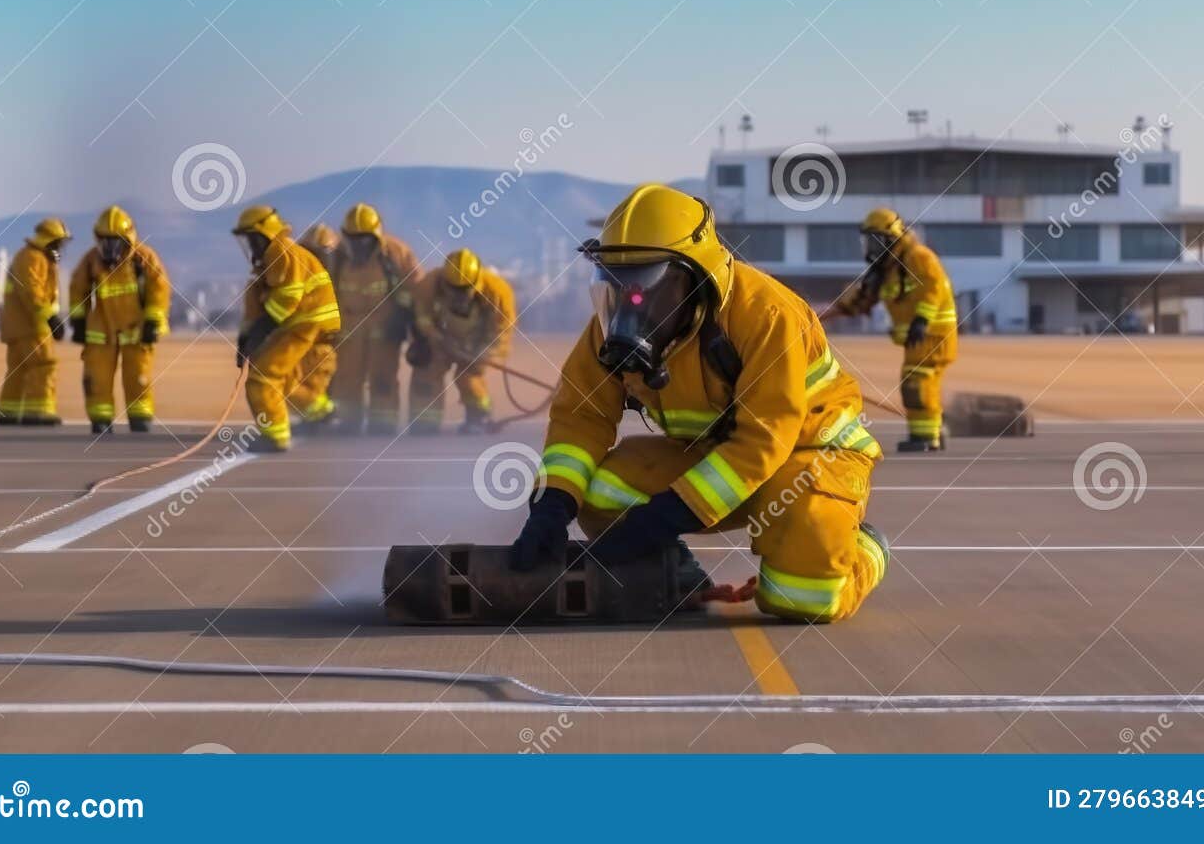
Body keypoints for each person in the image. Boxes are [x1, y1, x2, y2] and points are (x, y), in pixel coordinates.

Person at [508, 183, 888, 623]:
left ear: (695, 281)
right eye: (618, 282)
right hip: (716, 459)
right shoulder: (609, 331)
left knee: (803, 599)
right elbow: (581, 417)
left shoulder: (765, 315)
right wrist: (553, 504)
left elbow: (762, 440)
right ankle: (680, 576)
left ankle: (863, 550)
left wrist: (664, 517)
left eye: (647, 284)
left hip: (805, 457)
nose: (632, 302)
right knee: (601, 491)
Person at [826, 208, 957, 452]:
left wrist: (922, 320)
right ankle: (933, 432)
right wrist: (817, 317)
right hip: (918, 338)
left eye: (876, 240)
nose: (870, 247)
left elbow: (933, 287)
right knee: (917, 382)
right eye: (868, 240)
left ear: (891, 239)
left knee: (916, 383)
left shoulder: (918, 256)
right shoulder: (886, 269)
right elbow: (859, 300)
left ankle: (926, 438)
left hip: (933, 334)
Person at [231, 206, 341, 452]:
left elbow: (286, 302)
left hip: (306, 324)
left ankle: (275, 436)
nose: (249, 244)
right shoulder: (267, 265)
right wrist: (245, 341)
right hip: (301, 325)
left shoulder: (283, 253)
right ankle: (321, 412)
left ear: (263, 234)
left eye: (251, 238)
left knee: (262, 377)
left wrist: (257, 336)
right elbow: (255, 314)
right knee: (285, 381)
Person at [67, 206, 171, 434]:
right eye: (105, 242)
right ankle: (101, 421)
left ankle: (140, 419)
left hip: (137, 331)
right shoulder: (91, 260)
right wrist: (78, 321)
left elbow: (159, 289)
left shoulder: (144, 258)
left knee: (138, 378)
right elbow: (77, 289)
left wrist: (153, 321)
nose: (109, 248)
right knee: (97, 379)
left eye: (114, 242)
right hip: (101, 332)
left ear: (127, 239)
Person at [329, 203, 421, 434]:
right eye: (353, 239)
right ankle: (348, 422)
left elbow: (416, 288)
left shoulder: (395, 253)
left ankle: (384, 423)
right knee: (347, 379)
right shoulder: (339, 258)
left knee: (383, 378)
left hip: (384, 333)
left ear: (375, 237)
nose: (358, 245)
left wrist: (406, 319)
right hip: (349, 334)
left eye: (364, 240)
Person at [407, 249, 515, 434]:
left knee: (469, 377)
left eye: (464, 290)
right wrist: (435, 337)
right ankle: (425, 421)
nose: (459, 295)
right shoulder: (428, 285)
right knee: (427, 372)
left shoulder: (497, 290)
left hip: (476, 344)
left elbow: (502, 328)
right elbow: (421, 315)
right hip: (441, 339)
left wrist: (485, 352)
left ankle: (478, 417)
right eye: (454, 289)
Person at [0, 218, 70, 426]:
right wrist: (51, 318)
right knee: (43, 364)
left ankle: (8, 413)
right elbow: (32, 292)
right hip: (32, 326)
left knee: (18, 369)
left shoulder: (32, 257)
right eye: (58, 243)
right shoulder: (33, 258)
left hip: (20, 326)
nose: (60, 249)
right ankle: (38, 413)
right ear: (49, 241)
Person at [290, 223, 343, 432]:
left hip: (336, 338)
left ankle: (327, 415)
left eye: (321, 255)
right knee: (310, 379)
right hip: (313, 340)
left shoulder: (343, 275)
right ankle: (318, 416)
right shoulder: (300, 277)